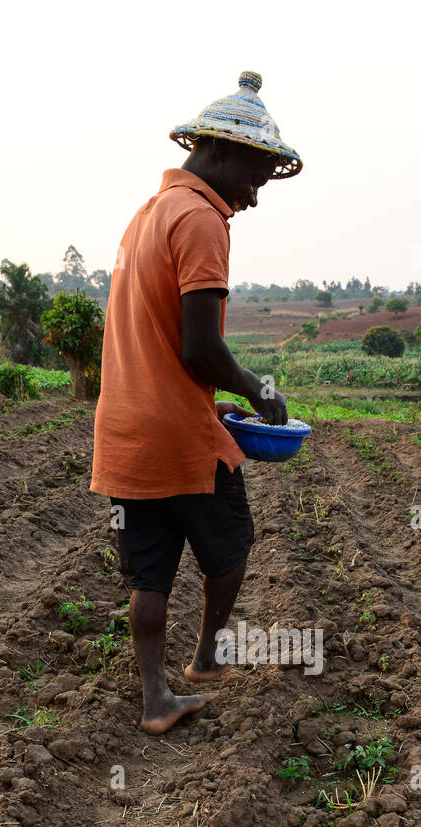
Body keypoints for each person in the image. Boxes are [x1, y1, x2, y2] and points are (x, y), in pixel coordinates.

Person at [90, 71, 303, 734]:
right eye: (256, 179)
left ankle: (156, 700)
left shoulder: (147, 216)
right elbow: (199, 348)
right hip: (179, 436)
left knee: (148, 573)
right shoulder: (204, 219)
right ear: (223, 155)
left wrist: (205, 400)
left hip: (126, 428)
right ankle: (208, 659)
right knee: (232, 544)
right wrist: (256, 390)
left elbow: (160, 345)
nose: (254, 196)